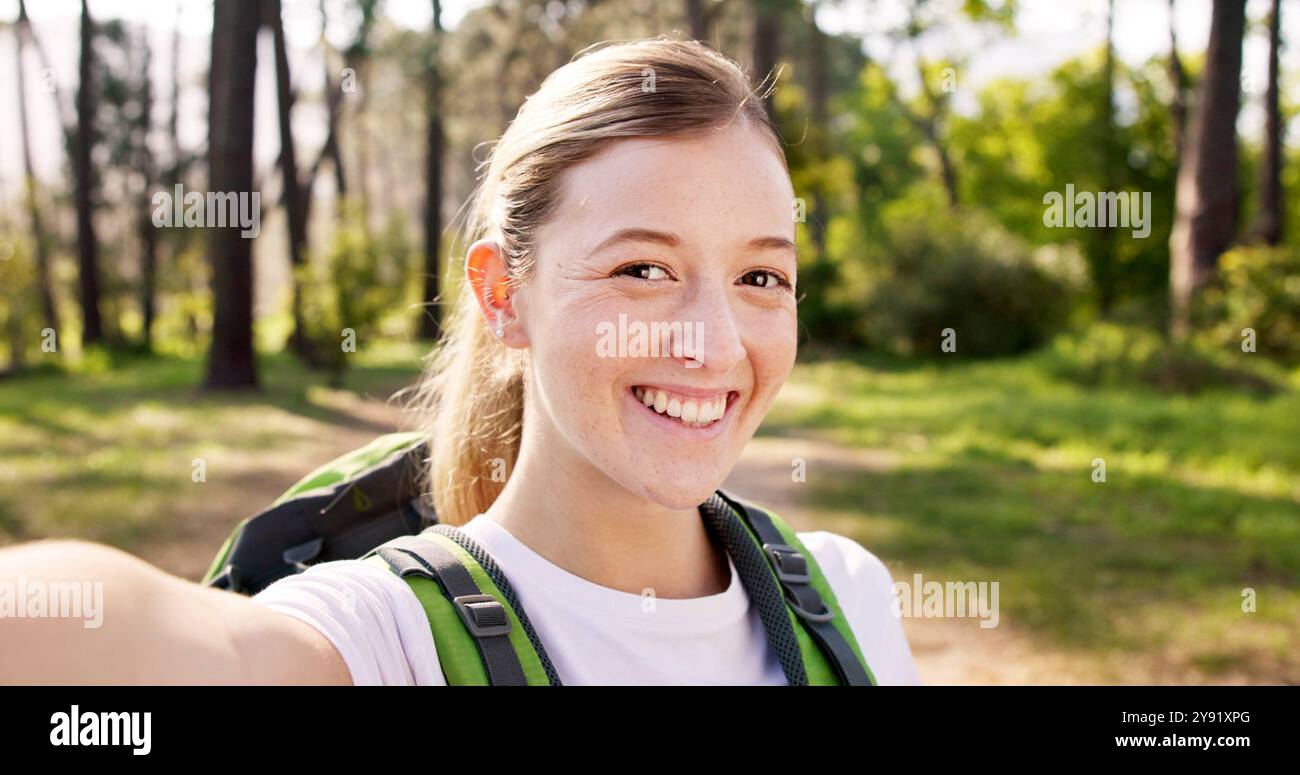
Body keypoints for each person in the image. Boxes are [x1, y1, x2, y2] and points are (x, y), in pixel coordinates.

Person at [0, 38, 919, 686]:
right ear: (502, 295)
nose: (714, 343)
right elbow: (112, 635)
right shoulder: (388, 637)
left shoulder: (843, 599)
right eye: (643, 269)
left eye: (762, 274)